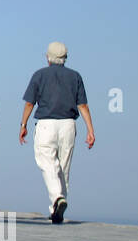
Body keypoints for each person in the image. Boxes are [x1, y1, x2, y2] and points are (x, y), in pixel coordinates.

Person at [19, 41, 96, 224]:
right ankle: (57, 208)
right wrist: (90, 130)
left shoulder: (39, 75)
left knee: (47, 162)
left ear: (48, 57)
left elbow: (30, 103)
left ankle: (57, 199)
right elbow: (82, 105)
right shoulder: (75, 76)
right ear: (65, 58)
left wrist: (23, 124)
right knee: (64, 167)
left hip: (46, 124)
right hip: (68, 125)